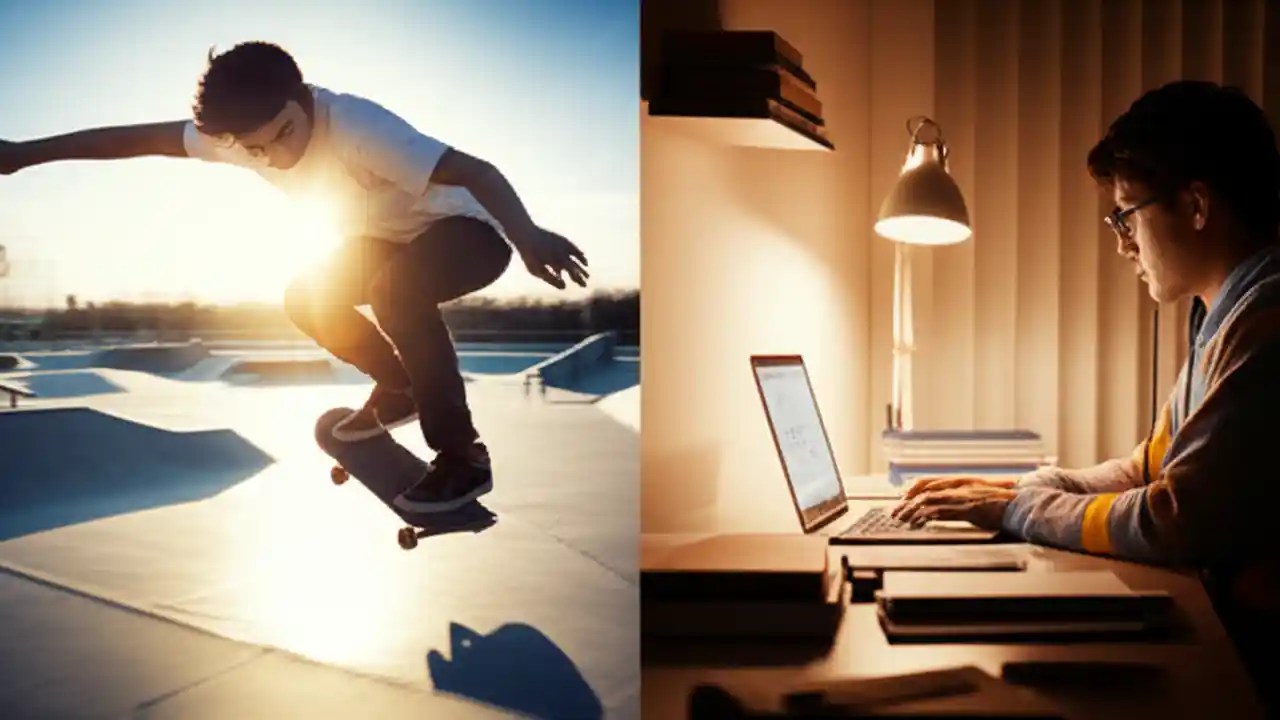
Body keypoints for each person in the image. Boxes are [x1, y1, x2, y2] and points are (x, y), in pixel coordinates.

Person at [0, 41, 589, 514]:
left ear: (302, 98)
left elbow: (479, 172)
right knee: (305, 296)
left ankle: (462, 456)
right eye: (257, 150)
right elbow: (135, 140)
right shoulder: (235, 139)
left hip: (472, 232)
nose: (277, 156)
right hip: (388, 241)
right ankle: (399, 385)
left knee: (396, 291)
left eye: (284, 133)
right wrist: (25, 153)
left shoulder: (359, 125)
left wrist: (528, 235)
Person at [892, 80, 1280, 709]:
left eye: (1126, 213)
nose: (1121, 241)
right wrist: (1017, 489)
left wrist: (1020, 513)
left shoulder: (1265, 326)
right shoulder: (1225, 313)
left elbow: (1173, 519)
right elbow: (1145, 469)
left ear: (1198, 204)